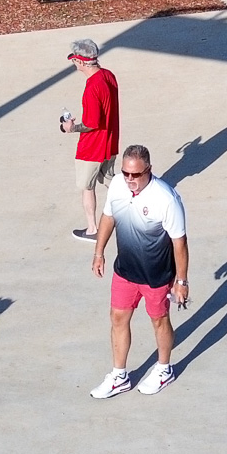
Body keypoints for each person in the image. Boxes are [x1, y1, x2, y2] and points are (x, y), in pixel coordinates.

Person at [88, 145, 189, 399]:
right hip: (125, 270)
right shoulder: (118, 187)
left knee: (159, 320)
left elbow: (179, 242)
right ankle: (119, 376)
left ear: (149, 171)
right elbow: (108, 217)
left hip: (156, 275)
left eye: (136, 175)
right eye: (125, 173)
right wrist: (99, 252)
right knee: (118, 318)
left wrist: (181, 281)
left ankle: (164, 369)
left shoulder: (166, 198)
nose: (130, 180)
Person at [59, 38, 119, 241]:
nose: (74, 64)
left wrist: (71, 128)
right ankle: (129, 214)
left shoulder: (92, 88)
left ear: (81, 61)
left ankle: (93, 229)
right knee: (112, 181)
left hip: (92, 147)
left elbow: (92, 123)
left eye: (74, 60)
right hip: (110, 142)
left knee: (87, 187)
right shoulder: (108, 76)